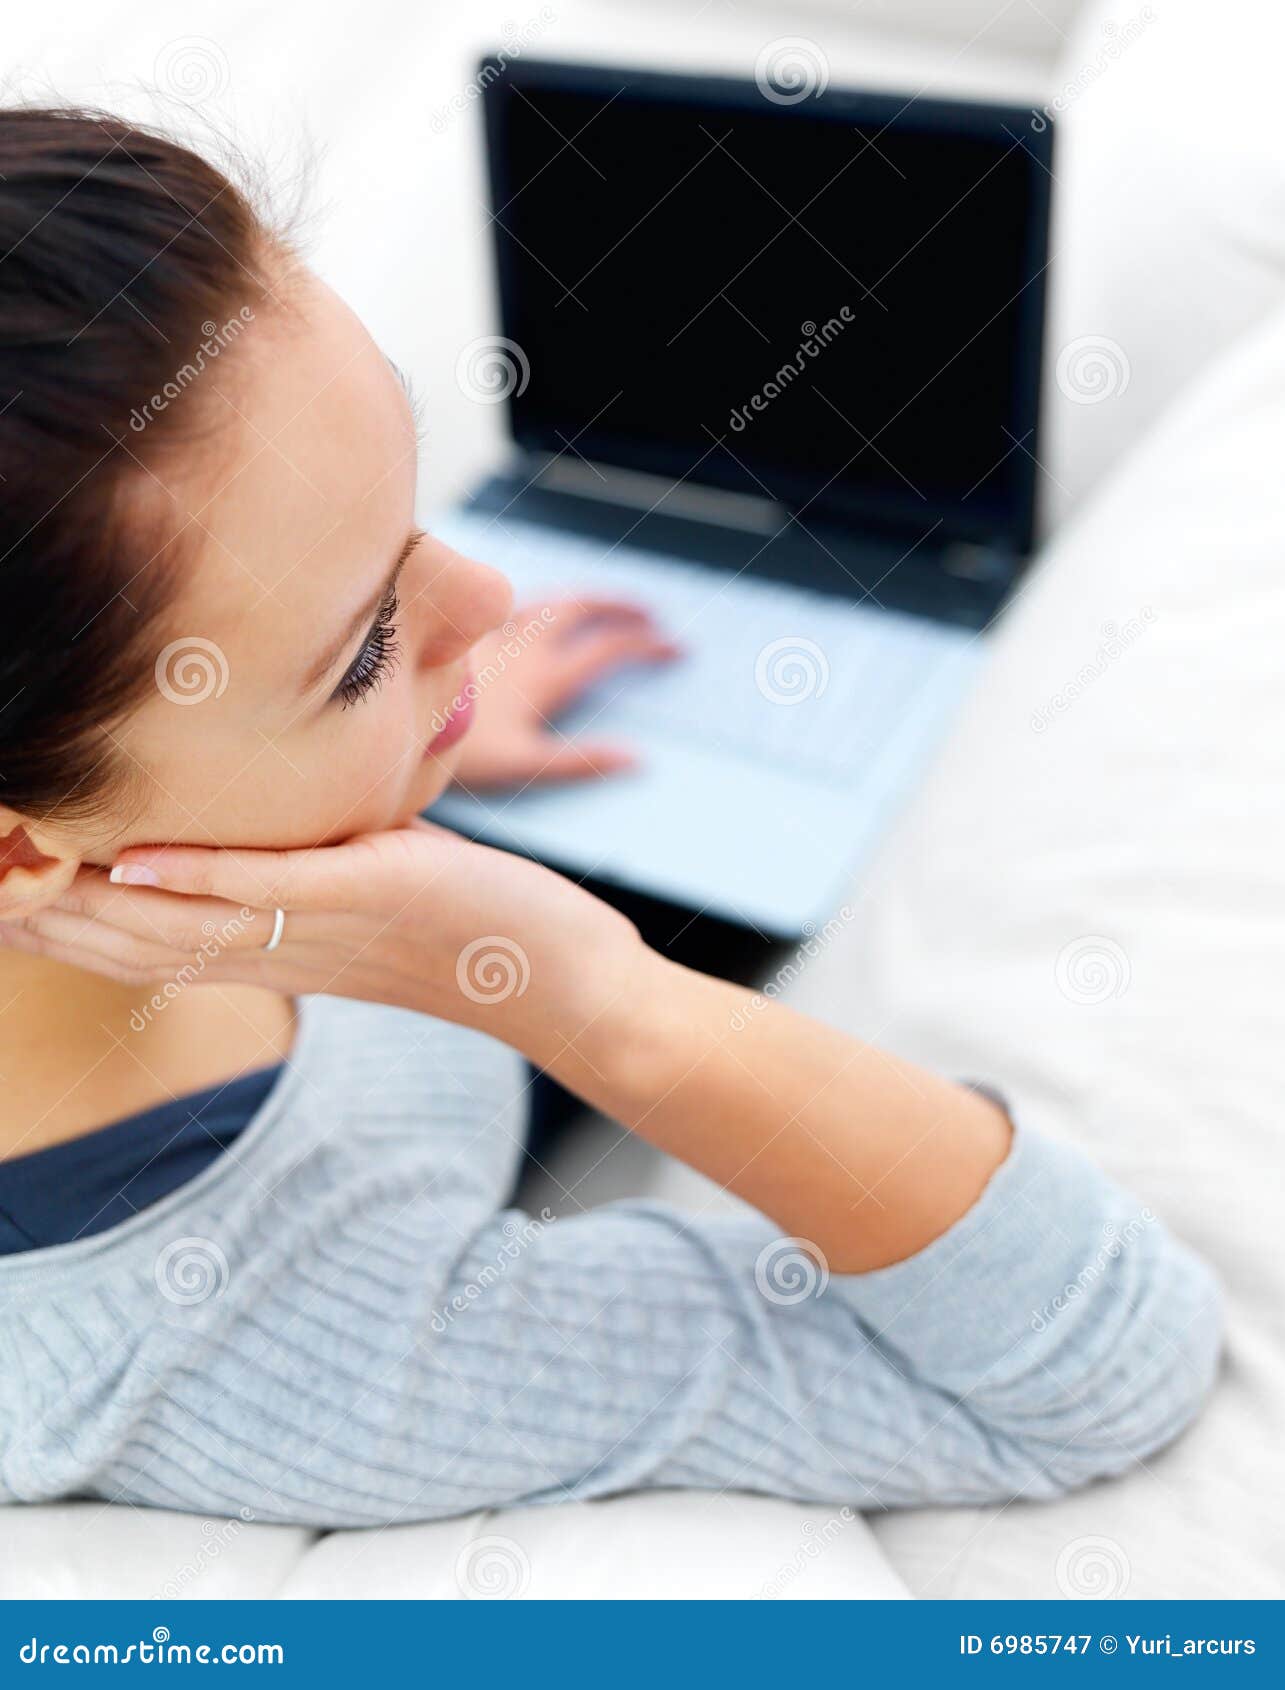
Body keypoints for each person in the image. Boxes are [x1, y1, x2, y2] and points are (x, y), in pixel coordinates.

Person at [0, 108, 1219, 1526]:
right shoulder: (283, 1348)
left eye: (414, 530)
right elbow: (1104, 1364)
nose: (489, 604)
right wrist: (582, 993)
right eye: (364, 647)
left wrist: (399, 716)